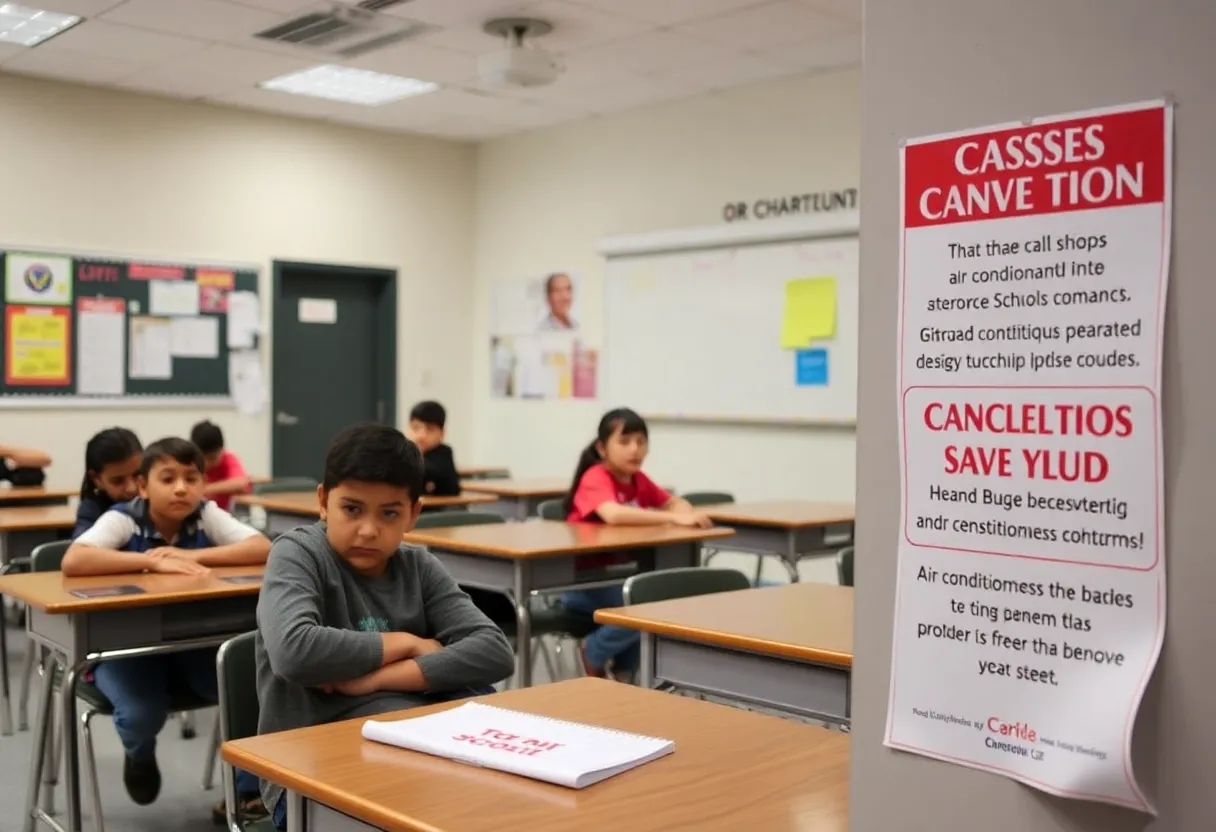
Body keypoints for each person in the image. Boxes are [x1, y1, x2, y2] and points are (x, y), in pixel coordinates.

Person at [255, 423, 515, 831]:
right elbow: (294, 650)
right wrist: (406, 642)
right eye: (352, 509)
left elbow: (494, 650)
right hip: (310, 771)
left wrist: (371, 681)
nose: (369, 529)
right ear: (324, 501)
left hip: (420, 750)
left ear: (414, 514)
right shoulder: (297, 554)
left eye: (390, 513)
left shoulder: (418, 565)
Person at [63, 437, 271, 823]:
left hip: (190, 647)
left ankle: (246, 793)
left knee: (246, 686)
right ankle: (139, 756)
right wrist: (151, 563)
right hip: (128, 648)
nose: (181, 487)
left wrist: (190, 554)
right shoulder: (124, 518)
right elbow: (76, 558)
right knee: (142, 713)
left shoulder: (205, 514)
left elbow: (261, 547)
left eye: (192, 478)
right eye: (168, 478)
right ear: (143, 486)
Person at [560, 408, 711, 679]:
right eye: (625, 441)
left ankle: (624, 673)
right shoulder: (595, 476)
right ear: (602, 447)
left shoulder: (637, 479)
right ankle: (593, 650)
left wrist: (682, 513)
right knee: (649, 604)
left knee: (655, 597)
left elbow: (674, 502)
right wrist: (672, 519)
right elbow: (614, 514)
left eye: (641, 442)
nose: (635, 450)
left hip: (621, 577)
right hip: (584, 582)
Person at [74, 427, 142, 539]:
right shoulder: (91, 509)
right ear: (97, 479)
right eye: (117, 481)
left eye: (138, 475)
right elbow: (82, 551)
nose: (132, 488)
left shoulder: (159, 499)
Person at [191, 420, 251, 511]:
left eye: (212, 458)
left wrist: (205, 490)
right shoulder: (188, 462)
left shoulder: (228, 459)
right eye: (202, 458)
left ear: (222, 450)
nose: (207, 463)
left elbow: (241, 483)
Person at [407, 401, 460, 498]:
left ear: (442, 434)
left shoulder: (444, 454)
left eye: (430, 429)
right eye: (415, 428)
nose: (421, 435)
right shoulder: (403, 452)